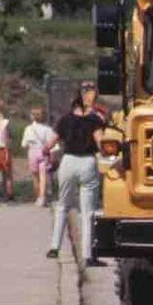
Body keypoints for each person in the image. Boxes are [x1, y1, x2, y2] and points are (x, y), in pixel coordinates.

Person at [46, 96, 106, 267]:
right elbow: (100, 143)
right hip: (87, 161)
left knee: (63, 205)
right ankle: (88, 256)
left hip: (68, 161)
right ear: (85, 107)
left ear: (73, 106)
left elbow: (50, 144)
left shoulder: (65, 120)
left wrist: (47, 154)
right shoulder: (94, 120)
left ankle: (54, 248)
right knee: (88, 212)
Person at [21, 108, 55, 207]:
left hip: (32, 152)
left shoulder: (28, 128)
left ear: (32, 117)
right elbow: (51, 144)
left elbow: (24, 144)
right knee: (43, 176)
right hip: (44, 152)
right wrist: (52, 155)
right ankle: (42, 197)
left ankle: (38, 197)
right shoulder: (48, 129)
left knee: (35, 177)